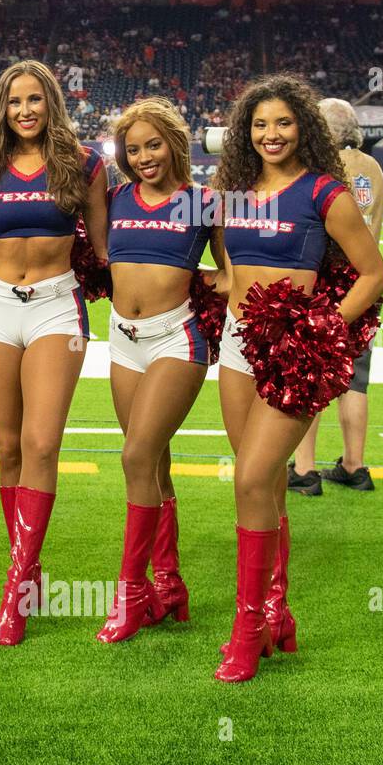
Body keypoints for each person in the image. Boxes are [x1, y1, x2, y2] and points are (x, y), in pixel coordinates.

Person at [212, 74, 383, 682]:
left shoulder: (325, 192)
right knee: (258, 486)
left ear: (303, 127)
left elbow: (374, 275)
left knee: (253, 475)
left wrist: (319, 331)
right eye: (260, 124)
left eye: (283, 123)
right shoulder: (232, 190)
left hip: (297, 352)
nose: (271, 134)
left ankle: (247, 627)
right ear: (245, 132)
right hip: (239, 345)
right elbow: (229, 263)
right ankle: (275, 610)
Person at [0, 59, 108, 646]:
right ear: (1, 109)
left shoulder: (84, 164)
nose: (26, 110)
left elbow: (108, 245)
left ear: (52, 103)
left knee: (41, 443)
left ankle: (15, 588)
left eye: (35, 99)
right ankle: (28, 569)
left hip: (57, 304)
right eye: (15, 102)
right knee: (8, 445)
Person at [94, 97, 226, 642]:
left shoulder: (203, 202)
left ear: (175, 143)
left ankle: (131, 595)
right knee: (156, 468)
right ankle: (169, 584)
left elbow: (230, 275)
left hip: (178, 338)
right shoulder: (114, 198)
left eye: (153, 145)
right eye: (133, 149)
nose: (144, 156)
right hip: (124, 343)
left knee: (134, 456)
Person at [289, 97, 383, 495]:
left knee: (308, 376)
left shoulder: (322, 169)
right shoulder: (374, 168)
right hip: (364, 284)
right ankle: (354, 465)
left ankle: (306, 470)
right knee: (355, 382)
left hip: (327, 283)